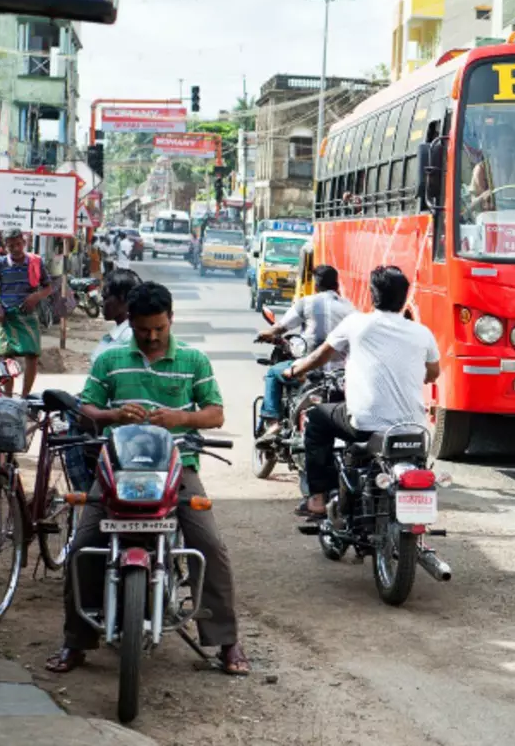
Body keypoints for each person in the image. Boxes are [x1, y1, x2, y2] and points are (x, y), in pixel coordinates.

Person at [45, 282, 250, 676]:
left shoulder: (193, 360)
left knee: (209, 545)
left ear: (171, 319)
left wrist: (181, 419)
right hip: (117, 467)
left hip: (178, 467)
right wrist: (111, 416)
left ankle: (226, 640)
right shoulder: (110, 360)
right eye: (143, 329)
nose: (152, 336)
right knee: (83, 545)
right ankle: (75, 641)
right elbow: (87, 407)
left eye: (159, 328)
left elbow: (215, 413)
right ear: (131, 323)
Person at [287, 266, 440, 518]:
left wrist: (295, 370)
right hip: (414, 427)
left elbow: (319, 356)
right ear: (404, 296)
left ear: (372, 294)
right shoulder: (422, 333)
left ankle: (317, 499)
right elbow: (433, 373)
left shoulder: (357, 323)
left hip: (365, 423)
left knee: (316, 419)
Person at [254, 264, 355, 446]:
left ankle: (273, 423)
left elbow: (281, 327)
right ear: (336, 285)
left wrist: (265, 334)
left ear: (316, 285)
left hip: (307, 368)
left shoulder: (306, 303)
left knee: (273, 373)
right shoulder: (349, 308)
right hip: (339, 375)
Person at [0, 229, 53, 397]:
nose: (15, 248)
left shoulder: (36, 262)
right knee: (6, 358)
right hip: (7, 317)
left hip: (29, 316)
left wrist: (35, 297)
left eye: (18, 244)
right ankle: (7, 398)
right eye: (11, 246)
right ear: (5, 246)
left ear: (24, 242)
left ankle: (24, 397)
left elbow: (48, 287)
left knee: (32, 356)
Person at [469, 126, 515, 213]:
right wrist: (483, 197)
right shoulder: (482, 169)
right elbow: (472, 207)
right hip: (493, 222)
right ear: (494, 146)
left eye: (512, 143)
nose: (510, 147)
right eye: (505, 143)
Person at [90, 269, 141, 362]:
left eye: (105, 297)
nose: (102, 303)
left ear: (121, 298)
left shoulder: (128, 337)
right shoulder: (121, 333)